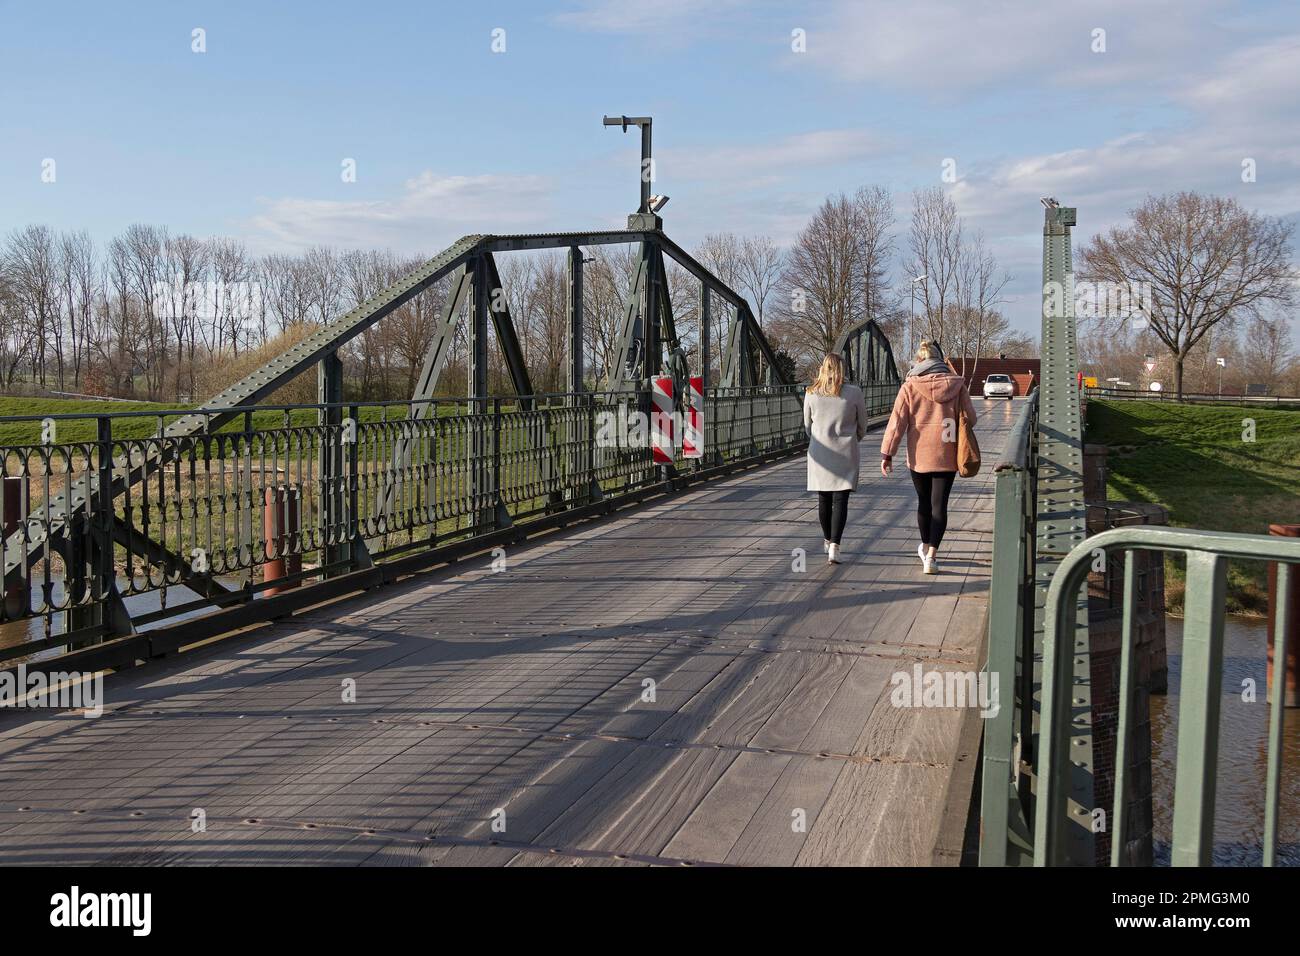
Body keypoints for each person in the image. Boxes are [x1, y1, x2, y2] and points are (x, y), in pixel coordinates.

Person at [880, 340, 977, 575]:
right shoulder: (957, 385)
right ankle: (932, 555)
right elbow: (971, 418)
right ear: (940, 360)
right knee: (939, 505)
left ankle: (924, 547)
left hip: (919, 456)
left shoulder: (909, 387)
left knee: (924, 504)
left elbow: (897, 424)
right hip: (948, 454)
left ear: (919, 361)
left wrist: (887, 453)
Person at [803, 353, 870, 565]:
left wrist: (818, 437)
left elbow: (806, 426)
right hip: (846, 451)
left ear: (823, 368)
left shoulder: (811, 393)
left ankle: (826, 538)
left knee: (824, 498)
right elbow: (863, 425)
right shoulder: (854, 393)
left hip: (820, 452)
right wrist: (851, 439)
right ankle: (835, 545)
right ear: (842, 368)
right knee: (841, 499)